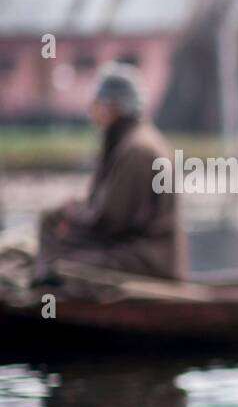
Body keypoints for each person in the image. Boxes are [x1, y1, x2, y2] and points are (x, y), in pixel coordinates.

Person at [33, 63, 187, 286]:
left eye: (96, 103)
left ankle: (45, 298)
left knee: (61, 254)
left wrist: (69, 220)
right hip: (147, 253)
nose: (92, 110)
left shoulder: (138, 151)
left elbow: (111, 221)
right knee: (56, 229)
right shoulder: (136, 142)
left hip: (148, 260)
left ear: (113, 106)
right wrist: (74, 212)